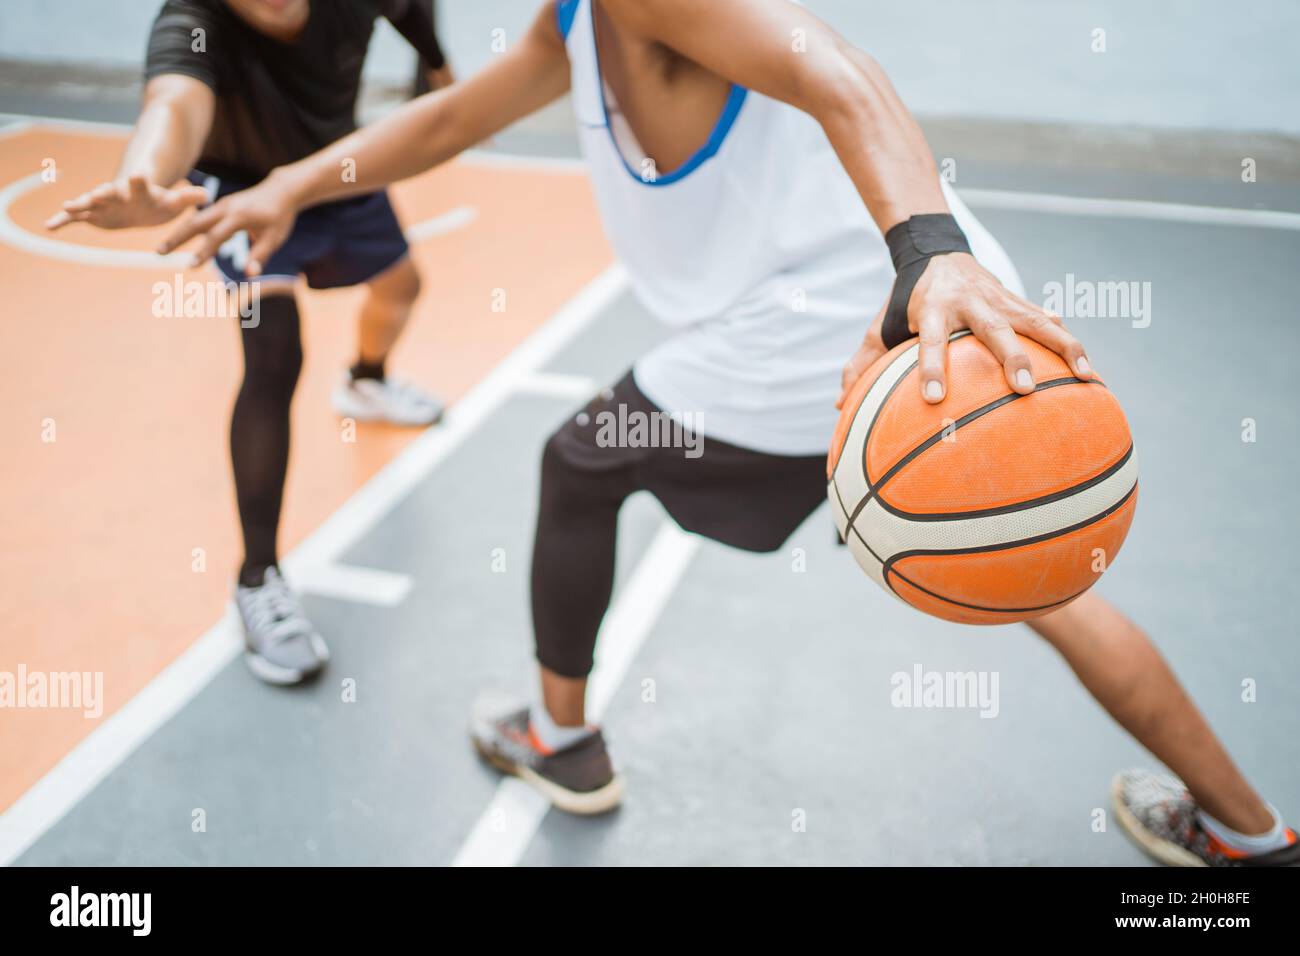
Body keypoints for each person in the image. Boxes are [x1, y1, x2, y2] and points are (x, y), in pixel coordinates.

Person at [154, 0, 1296, 865]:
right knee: (1042, 580)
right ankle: (1248, 834)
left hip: (864, 317)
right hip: (906, 320)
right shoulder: (575, 20)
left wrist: (925, 249)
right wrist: (288, 187)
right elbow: (451, 116)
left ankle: (559, 739)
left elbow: (836, 68)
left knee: (577, 461)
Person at [46, 0, 453, 685]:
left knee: (405, 287)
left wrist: (438, 69)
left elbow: (414, 11)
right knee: (275, 351)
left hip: (336, 171)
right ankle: (257, 578)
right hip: (243, 191)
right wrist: (147, 177)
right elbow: (173, 106)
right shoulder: (192, 20)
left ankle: (365, 379)